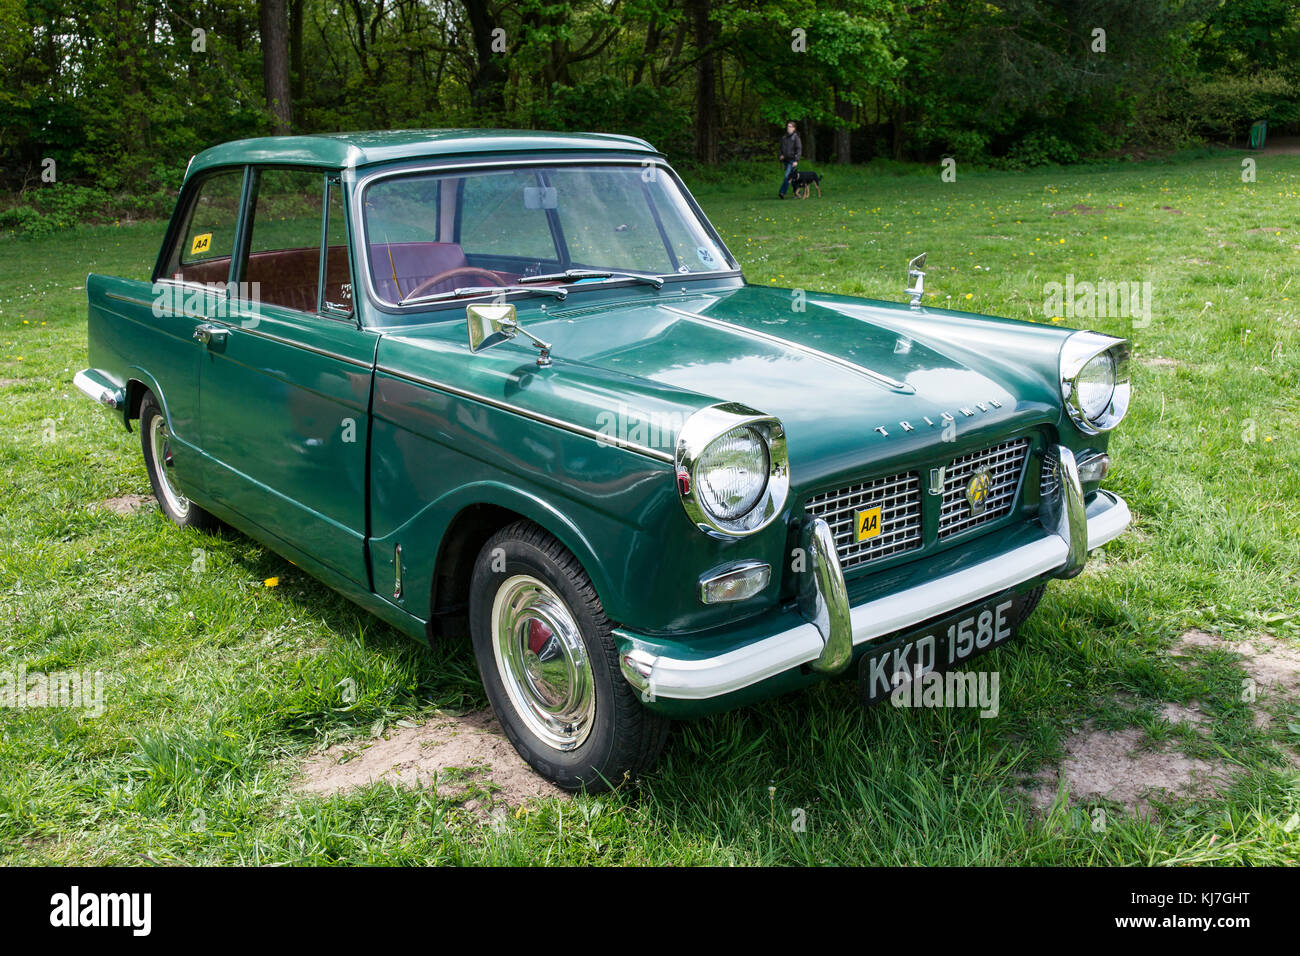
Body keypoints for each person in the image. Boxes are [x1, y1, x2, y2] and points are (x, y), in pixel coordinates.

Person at [778, 121, 802, 199]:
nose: (788, 128)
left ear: (794, 128)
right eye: (788, 126)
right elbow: (780, 148)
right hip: (786, 160)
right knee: (793, 178)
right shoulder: (784, 137)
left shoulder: (796, 137)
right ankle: (798, 193)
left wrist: (796, 160)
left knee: (787, 176)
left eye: (790, 126)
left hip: (792, 161)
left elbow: (799, 149)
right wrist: (780, 155)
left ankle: (782, 192)